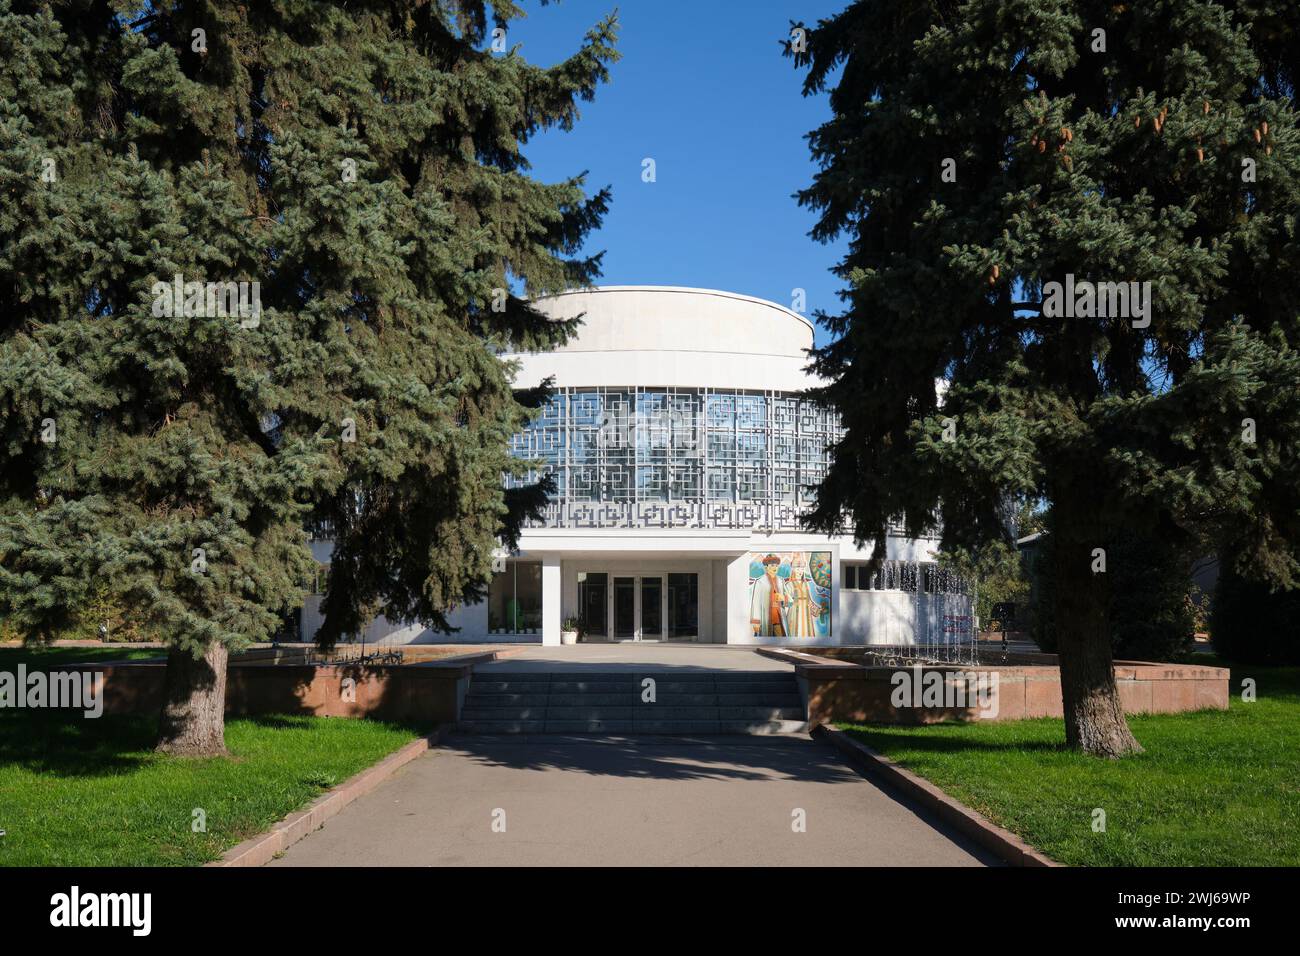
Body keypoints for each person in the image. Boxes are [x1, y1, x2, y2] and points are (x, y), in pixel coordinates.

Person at [750, 554, 790, 638]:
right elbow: (755, 602)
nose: (775, 568)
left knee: (780, 641)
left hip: (779, 618)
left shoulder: (781, 581)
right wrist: (756, 622)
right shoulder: (760, 581)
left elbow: (789, 599)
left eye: (776, 565)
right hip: (766, 618)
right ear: (766, 567)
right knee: (765, 642)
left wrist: (783, 598)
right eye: (772, 565)